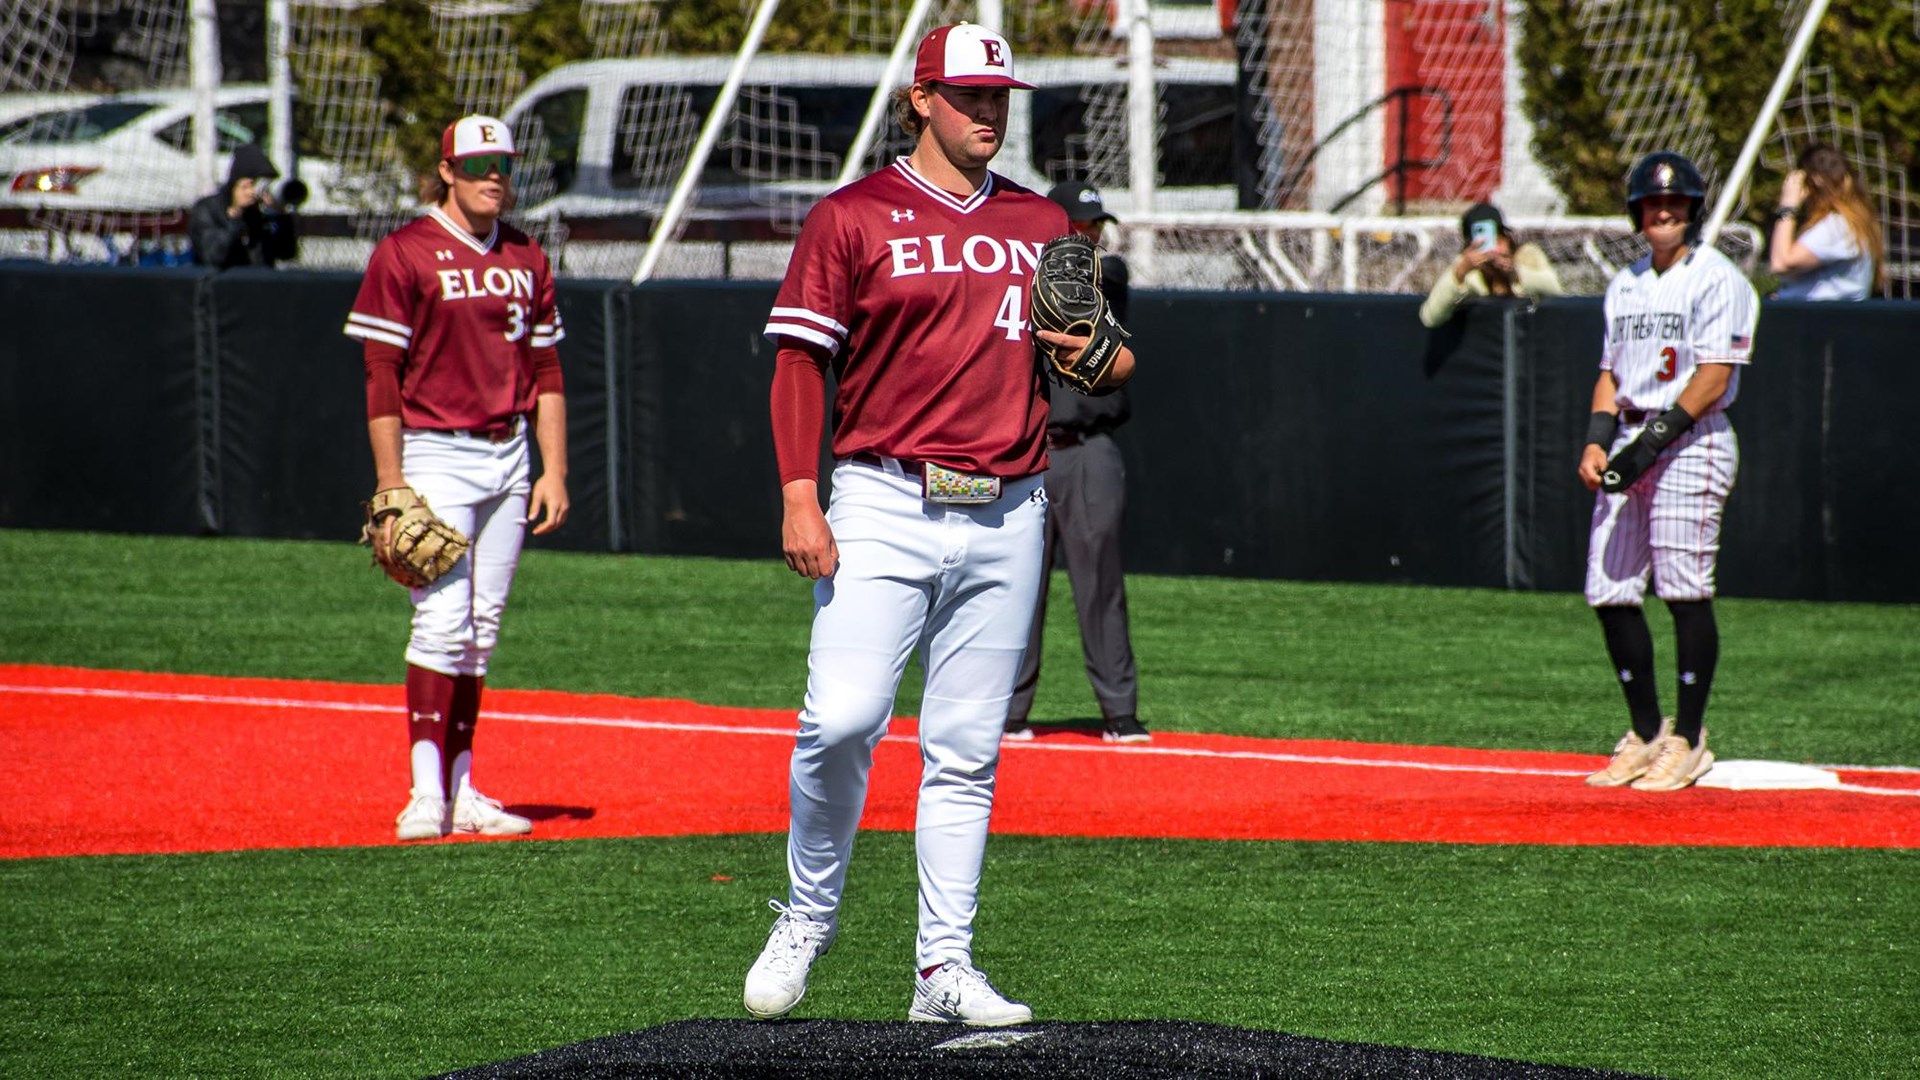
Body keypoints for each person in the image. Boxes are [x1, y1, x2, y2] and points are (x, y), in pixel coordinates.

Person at [744, 23, 1136, 1027]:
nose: (988, 110)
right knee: (841, 719)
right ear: (921, 99)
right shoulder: (851, 215)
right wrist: (799, 493)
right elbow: (799, 359)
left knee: (966, 748)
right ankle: (806, 915)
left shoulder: (1043, 221)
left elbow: (1107, 357)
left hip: (1010, 506)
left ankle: (943, 970)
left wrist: (1097, 355)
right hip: (883, 496)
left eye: (999, 96)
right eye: (968, 95)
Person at [342, 115, 570, 840]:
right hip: (435, 451)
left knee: (480, 631)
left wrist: (555, 470)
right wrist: (391, 480)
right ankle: (424, 793)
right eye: (476, 165)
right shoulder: (405, 252)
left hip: (510, 455)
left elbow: (547, 370)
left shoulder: (526, 254)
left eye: (502, 165)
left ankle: (465, 790)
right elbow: (381, 373)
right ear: (447, 171)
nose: (492, 177)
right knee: (441, 623)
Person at [1578, 150, 1758, 793]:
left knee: (1683, 587)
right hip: (1632, 434)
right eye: (1653, 203)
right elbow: (1610, 374)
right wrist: (1598, 442)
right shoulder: (1624, 284)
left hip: (1690, 437)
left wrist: (1650, 443)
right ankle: (1648, 730)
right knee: (1609, 590)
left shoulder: (1717, 278)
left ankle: (1689, 737)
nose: (1663, 211)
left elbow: (1714, 375)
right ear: (1636, 213)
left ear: (1693, 209)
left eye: (1675, 201)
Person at [1001, 180, 1144, 744]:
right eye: (1077, 225)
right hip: (1025, 452)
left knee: (1101, 582)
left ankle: (1120, 712)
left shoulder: (1107, 278)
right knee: (1014, 586)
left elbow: (1094, 284)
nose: (1089, 234)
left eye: (1094, 225)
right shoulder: (1012, 274)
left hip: (1088, 450)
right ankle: (1008, 710)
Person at [1417, 201, 1563, 328]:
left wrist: (1516, 275)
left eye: (1498, 240)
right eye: (1483, 244)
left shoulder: (1528, 257)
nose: (1494, 250)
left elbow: (1557, 291)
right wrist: (1460, 273)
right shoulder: (1465, 272)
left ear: (1507, 238)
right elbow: (1430, 318)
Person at [1768, 142, 1884, 301]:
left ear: (1813, 183)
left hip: (1817, 315)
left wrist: (1787, 207)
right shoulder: (1851, 223)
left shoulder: (1837, 226)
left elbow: (1781, 263)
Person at [188, 143, 298, 269]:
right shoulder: (207, 208)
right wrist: (235, 216)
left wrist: (281, 216)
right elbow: (214, 256)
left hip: (257, 281)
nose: (254, 192)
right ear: (236, 183)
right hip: (219, 280)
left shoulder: (259, 214)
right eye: (250, 184)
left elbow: (287, 253)